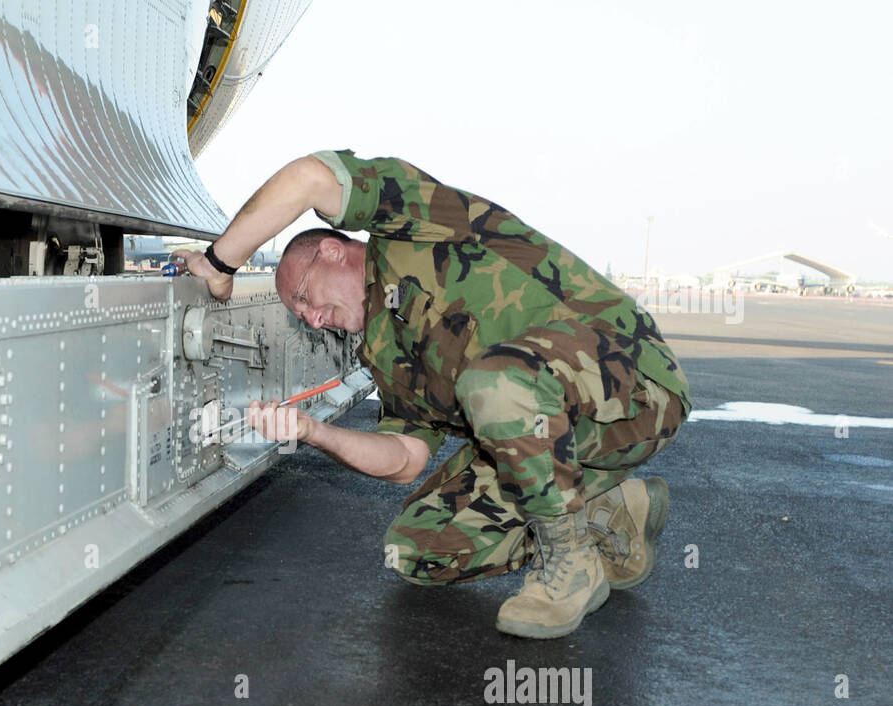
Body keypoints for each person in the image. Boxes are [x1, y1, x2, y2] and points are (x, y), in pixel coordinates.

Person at [173, 150, 691, 639]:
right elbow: (402, 461)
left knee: (495, 381)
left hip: (634, 390)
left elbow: (308, 176)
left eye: (305, 296)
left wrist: (222, 265)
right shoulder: (383, 352)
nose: (311, 317)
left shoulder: (411, 227)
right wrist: (313, 431)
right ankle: (609, 515)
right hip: (553, 436)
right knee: (417, 550)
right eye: (301, 315)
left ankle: (571, 558)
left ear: (332, 249)